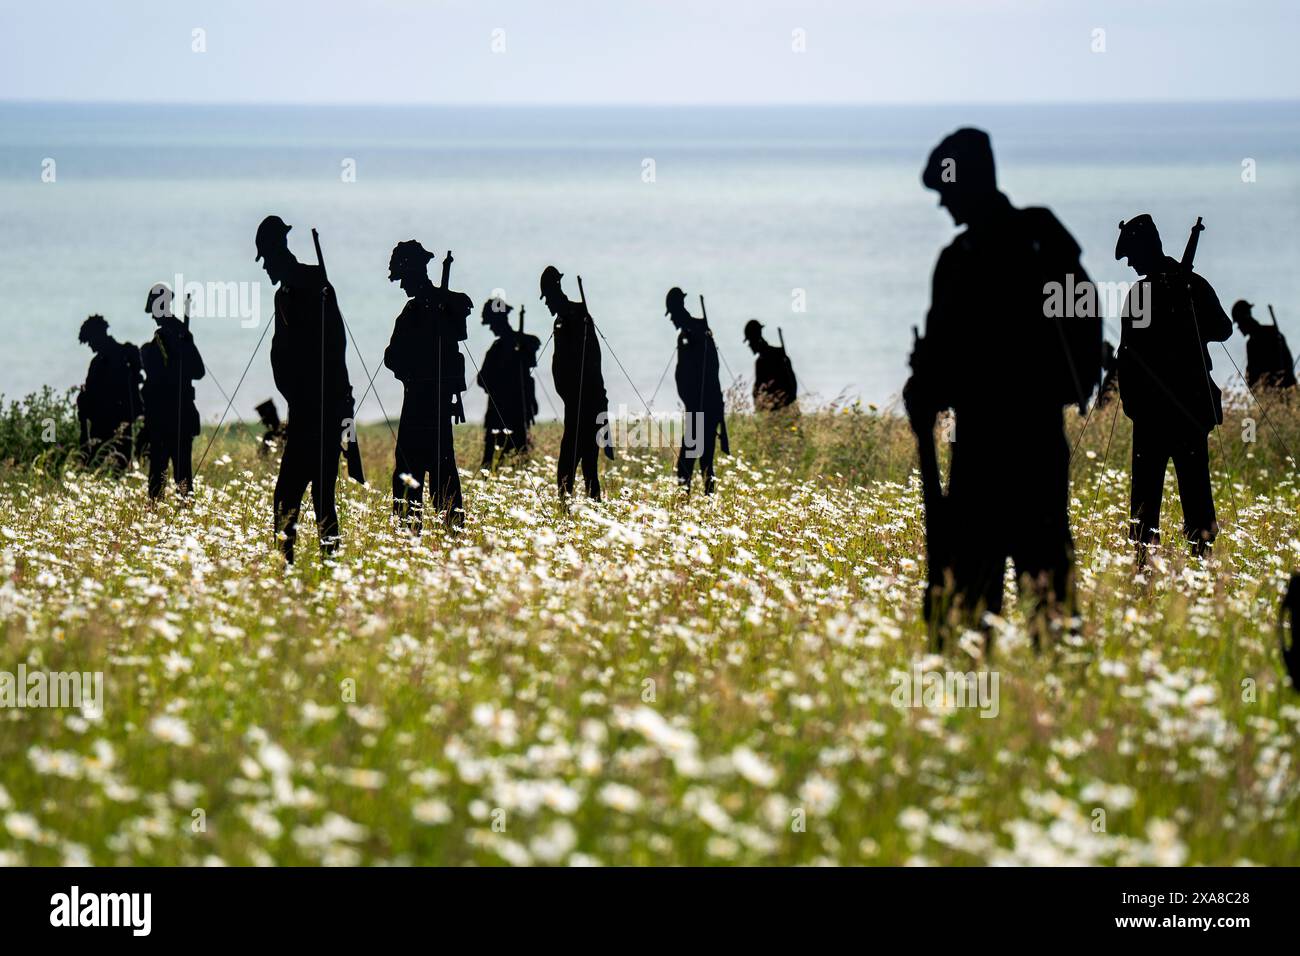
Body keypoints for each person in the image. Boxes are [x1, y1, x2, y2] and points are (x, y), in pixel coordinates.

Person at [903, 127, 1100, 651]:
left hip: (992, 451)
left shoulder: (969, 259)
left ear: (968, 182)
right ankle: (1060, 701)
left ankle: (981, 710)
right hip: (1030, 446)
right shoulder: (1039, 243)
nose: (943, 203)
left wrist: (927, 385)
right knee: (1045, 595)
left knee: (977, 605)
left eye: (946, 189)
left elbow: (946, 364)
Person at [1116, 214, 1232, 559]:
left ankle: (1167, 566)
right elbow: (1128, 354)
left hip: (1166, 412)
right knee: (1156, 499)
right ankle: (1162, 565)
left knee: (1168, 498)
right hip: (1178, 411)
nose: (1131, 263)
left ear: (1147, 249)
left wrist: (1189, 318)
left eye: (1132, 255)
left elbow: (1221, 329)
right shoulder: (1189, 284)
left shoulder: (1172, 289)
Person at [257, 214, 356, 562]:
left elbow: (335, 348)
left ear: (278, 252)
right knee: (287, 499)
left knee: (320, 499)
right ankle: (287, 565)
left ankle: (327, 567)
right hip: (302, 408)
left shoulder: (315, 284)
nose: (265, 268)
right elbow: (282, 351)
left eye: (266, 259)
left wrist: (341, 407)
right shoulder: (285, 294)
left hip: (324, 409)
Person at [384, 240, 471, 531]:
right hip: (430, 404)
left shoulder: (432, 308)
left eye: (403, 278)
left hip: (424, 405)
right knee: (436, 468)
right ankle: (446, 531)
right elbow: (394, 358)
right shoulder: (429, 308)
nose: (401, 285)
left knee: (420, 470)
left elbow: (393, 357)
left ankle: (420, 532)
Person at [541, 265, 610, 500]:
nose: (547, 303)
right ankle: (581, 511)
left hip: (585, 404)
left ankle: (571, 514)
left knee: (573, 467)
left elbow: (592, 362)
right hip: (577, 403)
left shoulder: (577, 317)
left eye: (548, 297)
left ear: (555, 292)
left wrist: (596, 402)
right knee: (583, 467)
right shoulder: (565, 319)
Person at [140, 283, 204, 498]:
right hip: (174, 416)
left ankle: (167, 516)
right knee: (170, 475)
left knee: (166, 477)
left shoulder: (179, 336)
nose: (153, 317)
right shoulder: (178, 334)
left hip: (169, 416)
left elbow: (198, 371)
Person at [666, 287, 727, 494]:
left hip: (704, 407)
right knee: (700, 460)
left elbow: (709, 370)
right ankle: (700, 501)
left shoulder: (696, 333)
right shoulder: (690, 332)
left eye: (672, 314)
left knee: (696, 461)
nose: (672, 320)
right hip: (698, 407)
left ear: (678, 310)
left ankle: (693, 502)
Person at [476, 296, 540, 469]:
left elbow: (534, 348)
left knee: (516, 456)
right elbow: (482, 380)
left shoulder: (520, 343)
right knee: (494, 458)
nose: (491, 328)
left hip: (515, 412)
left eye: (492, 323)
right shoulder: (497, 349)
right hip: (499, 411)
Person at [76, 314, 143, 470]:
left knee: (111, 468)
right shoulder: (105, 360)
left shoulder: (124, 355)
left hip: (114, 425)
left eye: (90, 341)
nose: (90, 346)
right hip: (104, 425)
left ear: (98, 336)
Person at [1232, 300, 1296, 390]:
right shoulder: (1272, 332)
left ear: (1245, 319)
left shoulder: (1254, 342)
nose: (1239, 328)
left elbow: (1286, 362)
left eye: (1239, 323)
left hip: (1276, 391)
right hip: (1278, 391)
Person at [743, 319, 797, 412]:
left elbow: (759, 390)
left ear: (755, 339)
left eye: (750, 341)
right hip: (782, 411)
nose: (749, 345)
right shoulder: (778, 354)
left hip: (775, 413)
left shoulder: (763, 361)